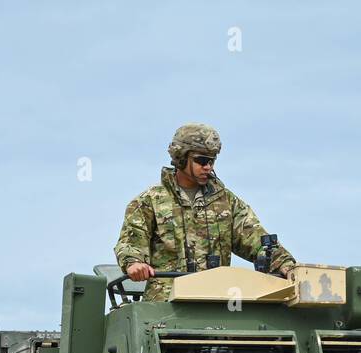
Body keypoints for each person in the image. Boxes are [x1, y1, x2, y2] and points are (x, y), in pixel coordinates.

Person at [114, 123, 297, 302]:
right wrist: (134, 263)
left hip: (215, 304)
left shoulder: (226, 201)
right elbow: (132, 241)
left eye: (212, 160)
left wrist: (287, 266)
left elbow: (255, 238)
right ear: (181, 157)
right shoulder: (149, 201)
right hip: (164, 308)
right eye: (201, 160)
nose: (208, 167)